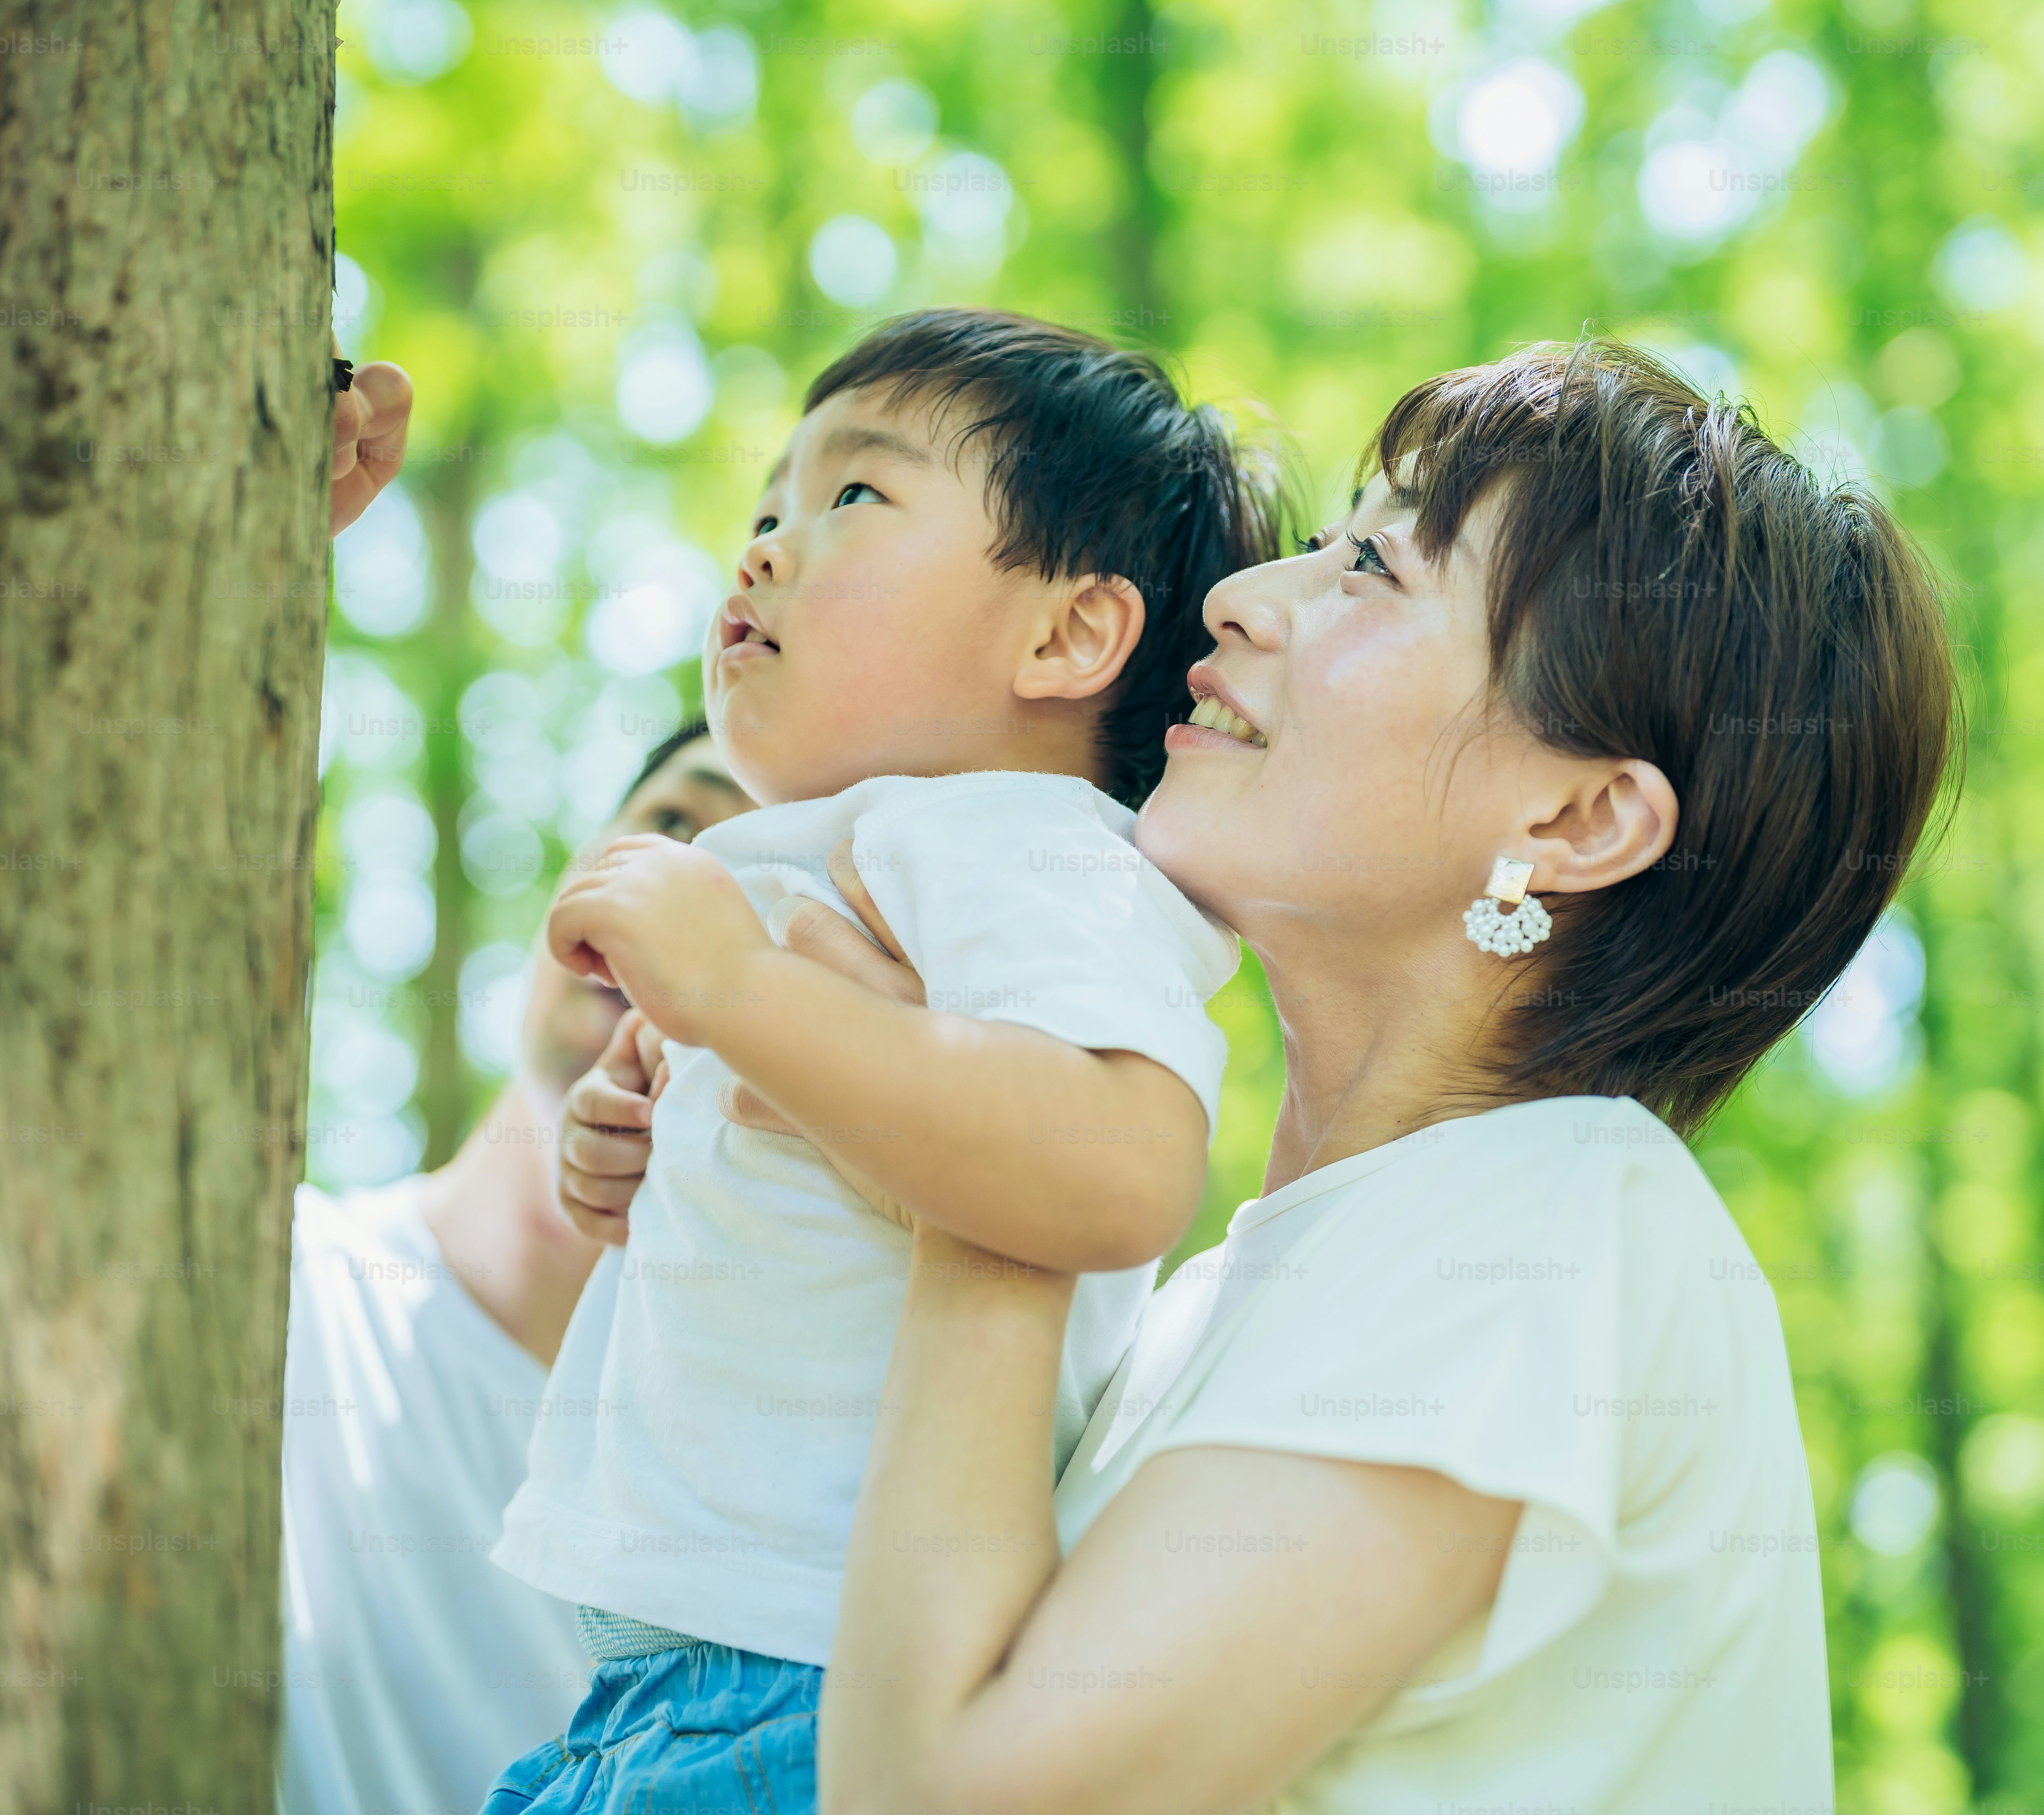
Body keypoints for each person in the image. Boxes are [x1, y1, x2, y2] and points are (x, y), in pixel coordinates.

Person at [577, 341, 1958, 1811]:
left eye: (1374, 568)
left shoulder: (1552, 1228)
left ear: (1576, 818)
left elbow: (943, 1795)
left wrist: (970, 1169)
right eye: (1316, 543)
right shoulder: (1203, 1320)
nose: (1243, 598)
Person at [481, 309, 1284, 1815]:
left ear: (1065, 636)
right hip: (665, 1690)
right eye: (768, 506)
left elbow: (1115, 1170)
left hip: (811, 1691)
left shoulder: (1025, 841)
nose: (768, 546)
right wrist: (636, 1137)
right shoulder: (842, 854)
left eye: (855, 497)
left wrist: (733, 991)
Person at [277, 725, 751, 1815]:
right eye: (673, 824)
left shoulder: (777, 1528)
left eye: (753, 882)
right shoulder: (273, 1291)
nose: (680, 889)